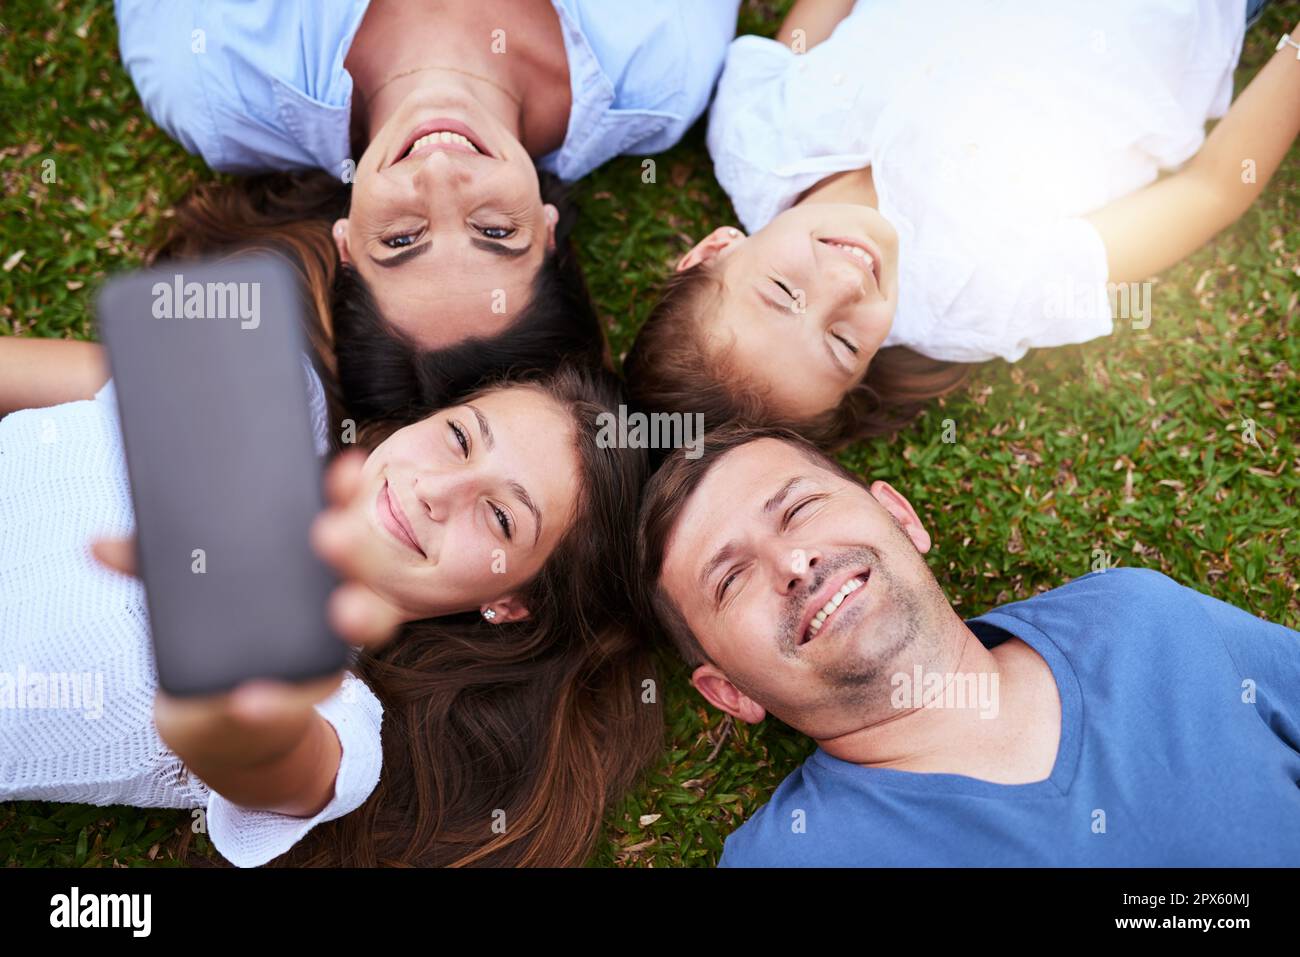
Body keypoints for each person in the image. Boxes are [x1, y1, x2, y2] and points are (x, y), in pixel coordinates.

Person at [0, 338, 656, 867]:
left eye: (502, 518)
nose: (437, 487)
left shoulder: (335, 720)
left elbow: (249, 748)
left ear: (510, 603)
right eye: (460, 438)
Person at [625, 0, 1299, 447]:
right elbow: (1211, 190)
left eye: (783, 293)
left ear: (713, 250)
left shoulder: (748, 138)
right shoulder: (978, 300)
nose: (843, 286)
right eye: (840, 344)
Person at [634, 424, 1300, 865]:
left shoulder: (1135, 615)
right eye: (732, 577)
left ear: (901, 515)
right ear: (729, 691)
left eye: (799, 508)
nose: (794, 560)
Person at [115, 0, 741, 347]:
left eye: (401, 239)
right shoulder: (664, 68)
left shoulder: (208, 82)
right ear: (548, 233)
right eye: (495, 231)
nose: (440, 174)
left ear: (344, 245)